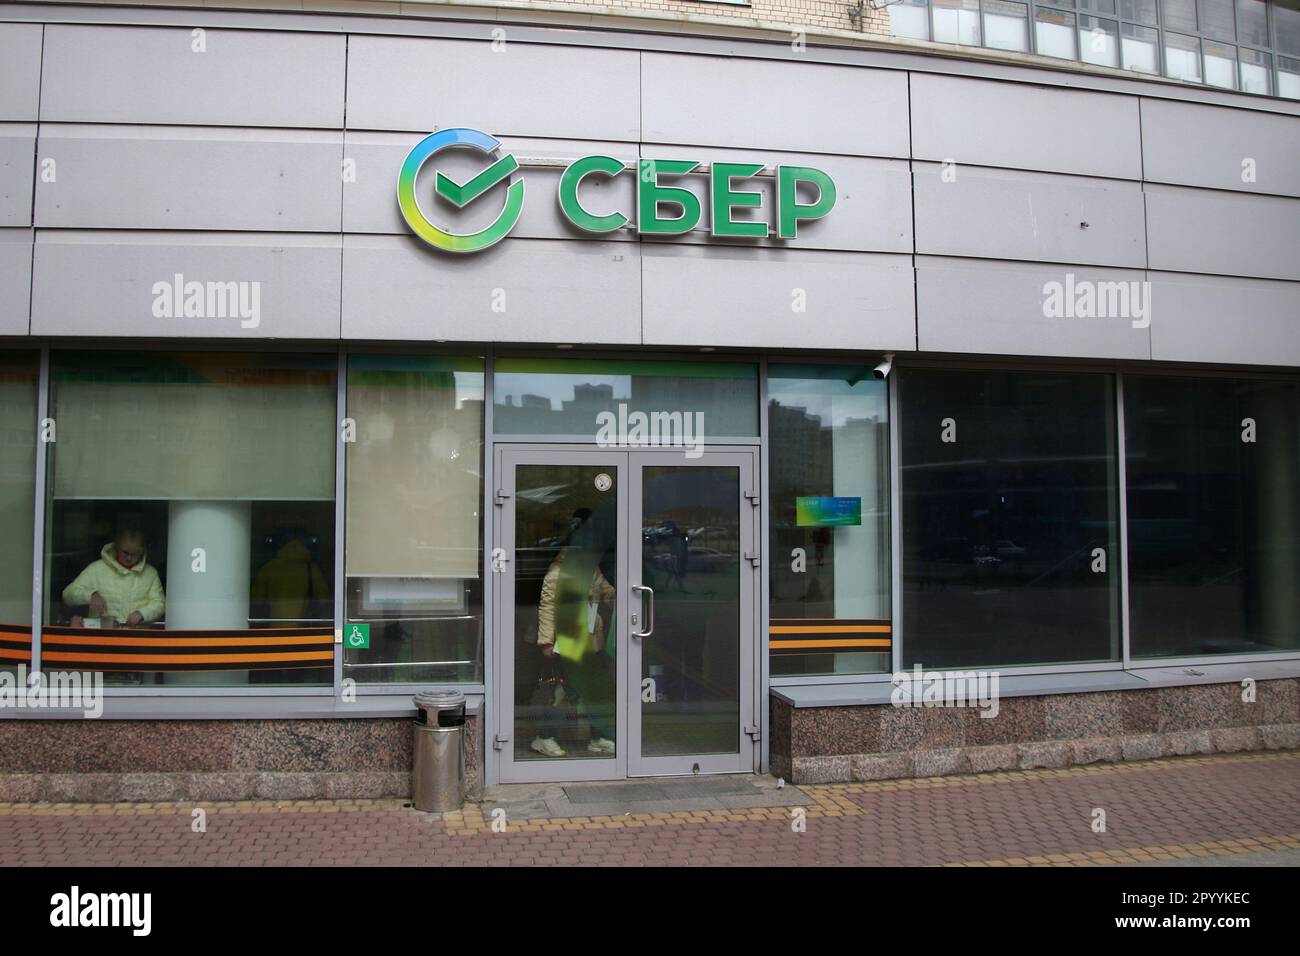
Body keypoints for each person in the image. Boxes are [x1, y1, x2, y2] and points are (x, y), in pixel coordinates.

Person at [532, 509, 616, 758]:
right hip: (568, 639)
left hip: (590, 639)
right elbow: (546, 607)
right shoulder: (556, 574)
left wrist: (625, 597)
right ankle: (545, 737)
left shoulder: (591, 571)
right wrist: (546, 641)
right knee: (565, 691)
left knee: (594, 690)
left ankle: (598, 736)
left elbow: (606, 591)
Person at [63, 528, 165, 626]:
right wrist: (90, 596)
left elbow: (160, 604)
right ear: (116, 547)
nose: (129, 558)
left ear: (142, 552)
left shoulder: (150, 573)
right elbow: (68, 595)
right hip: (102, 638)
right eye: (125, 552)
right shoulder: (96, 569)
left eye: (134, 554)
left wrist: (142, 614)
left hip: (138, 637)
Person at [252, 531, 330, 623]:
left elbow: (256, 599)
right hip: (304, 629)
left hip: (274, 627)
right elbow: (324, 600)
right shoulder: (312, 569)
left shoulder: (269, 567)